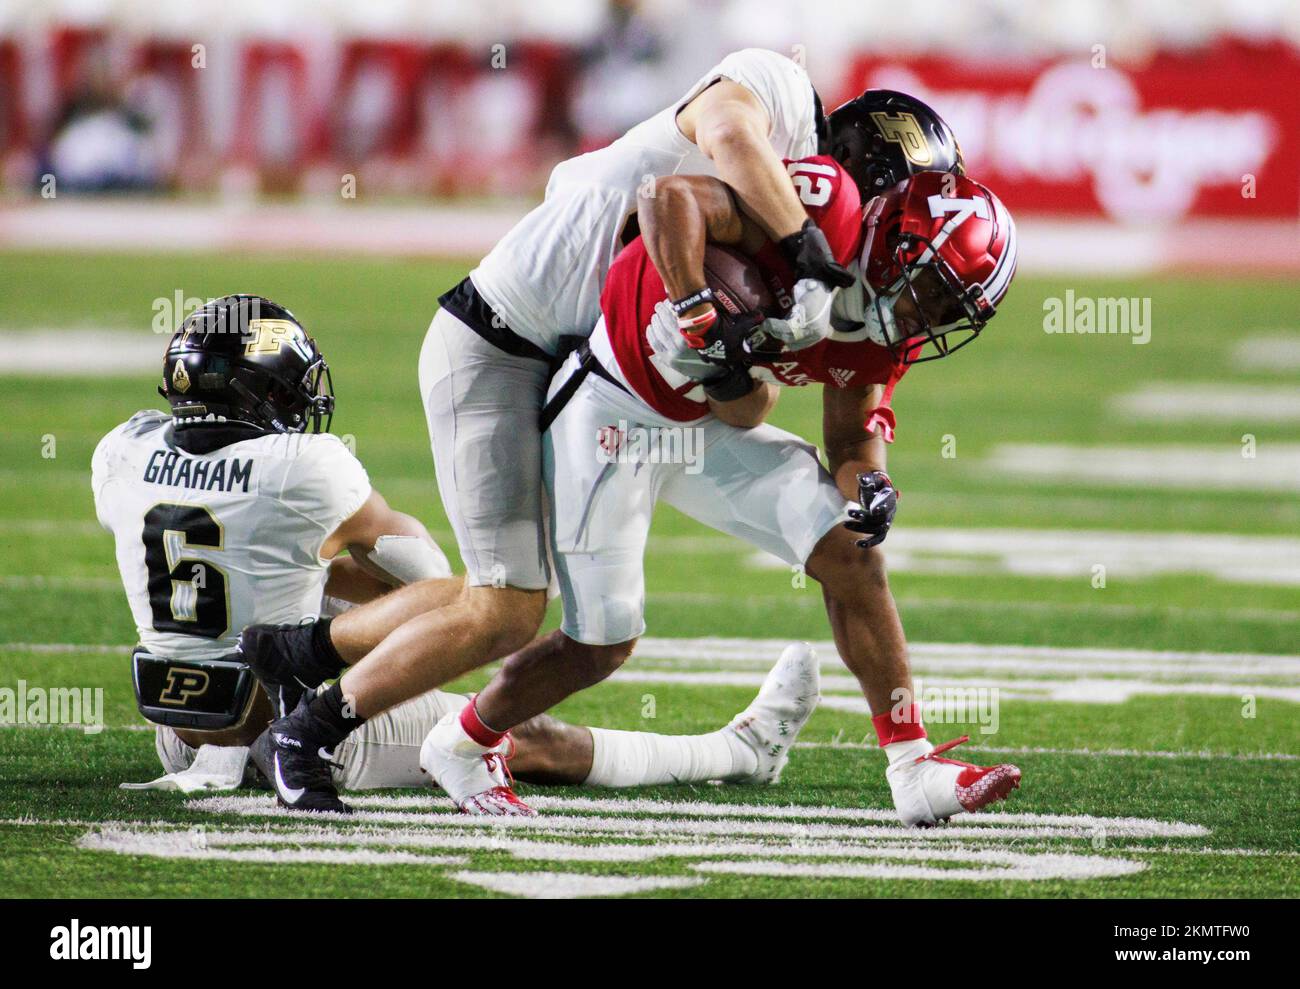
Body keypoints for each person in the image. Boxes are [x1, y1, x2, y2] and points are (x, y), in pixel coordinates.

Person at [243, 61, 967, 814]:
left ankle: (298, 651)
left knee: (521, 598)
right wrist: (800, 255)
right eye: (907, 204)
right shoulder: (779, 101)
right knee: (507, 606)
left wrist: (731, 362)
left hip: (609, 374)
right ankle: (309, 733)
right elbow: (718, 138)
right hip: (499, 343)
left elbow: (753, 404)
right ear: (861, 171)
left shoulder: (846, 288)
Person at [421, 163, 1021, 826]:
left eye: (948, 309)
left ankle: (913, 766)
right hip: (610, 407)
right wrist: (696, 309)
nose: (928, 319)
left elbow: (846, 439)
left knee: (851, 549)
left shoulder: (883, 331)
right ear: (901, 246)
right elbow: (665, 195)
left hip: (700, 418)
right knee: (601, 641)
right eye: (936, 294)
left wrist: (870, 483)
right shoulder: (819, 212)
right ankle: (464, 741)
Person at [92, 295, 819, 809]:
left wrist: (309, 569)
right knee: (510, 710)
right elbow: (427, 576)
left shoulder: (123, 451)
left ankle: (299, 667)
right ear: (260, 390)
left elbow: (220, 553)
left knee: (319, 589)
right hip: (271, 716)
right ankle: (737, 753)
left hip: (179, 731)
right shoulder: (302, 466)